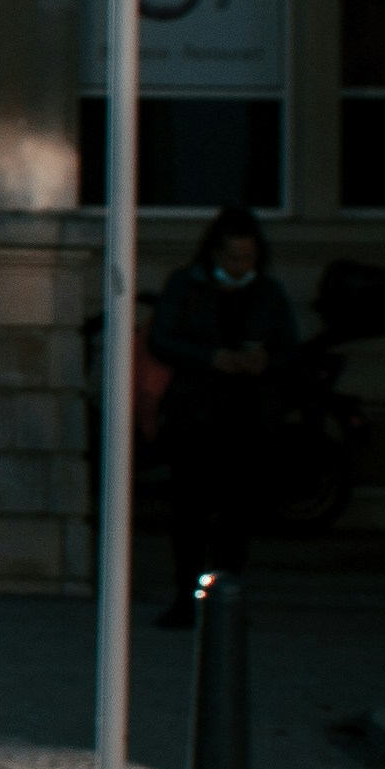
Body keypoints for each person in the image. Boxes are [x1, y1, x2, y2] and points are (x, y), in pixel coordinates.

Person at [149, 203, 296, 625]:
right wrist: (211, 357)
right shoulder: (188, 286)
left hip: (247, 417)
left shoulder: (267, 293)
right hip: (196, 416)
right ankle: (187, 598)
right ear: (215, 253)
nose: (239, 265)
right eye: (232, 257)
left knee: (236, 516)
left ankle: (224, 599)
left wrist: (264, 362)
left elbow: (290, 350)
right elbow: (162, 339)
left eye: (247, 257)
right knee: (190, 514)